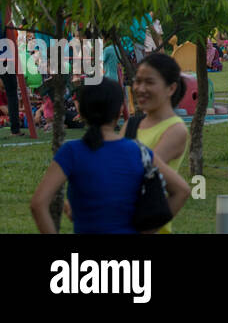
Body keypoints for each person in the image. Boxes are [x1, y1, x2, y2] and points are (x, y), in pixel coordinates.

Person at [30, 79, 190, 234]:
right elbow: (181, 190)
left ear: (81, 112)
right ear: (120, 109)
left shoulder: (71, 152)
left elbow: (38, 204)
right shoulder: (139, 152)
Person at [127, 53, 190, 233]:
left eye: (149, 82)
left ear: (170, 88)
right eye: (137, 81)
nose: (140, 88)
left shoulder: (175, 130)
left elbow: (140, 173)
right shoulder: (133, 124)